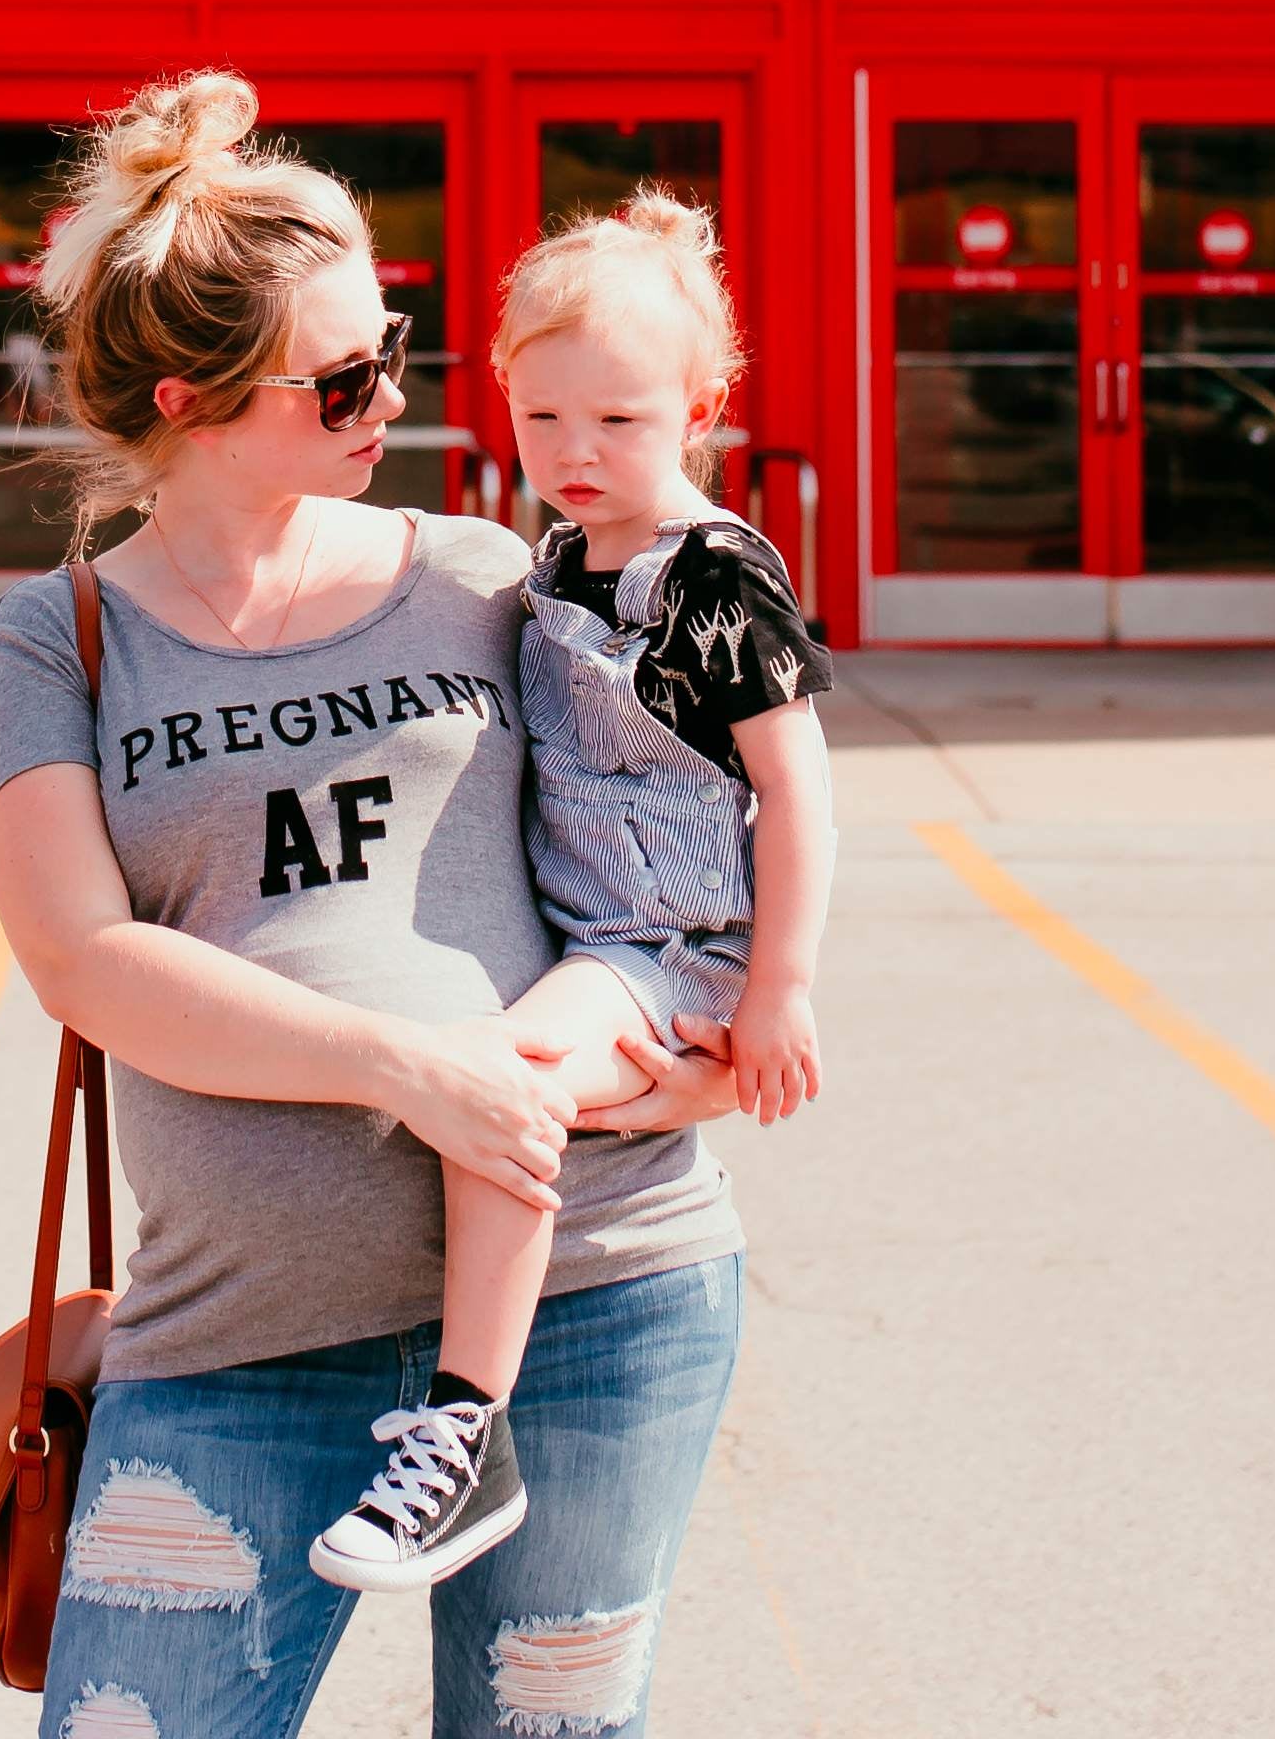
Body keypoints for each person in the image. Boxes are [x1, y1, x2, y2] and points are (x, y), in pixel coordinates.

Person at [0, 72, 753, 1739]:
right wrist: (410, 1070)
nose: (389, 396)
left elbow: (686, 830)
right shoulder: (60, 639)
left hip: (595, 1291)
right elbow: (83, 960)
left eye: (390, 348)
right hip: (239, 1336)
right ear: (193, 400)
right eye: (341, 378)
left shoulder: (487, 575)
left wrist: (704, 1044)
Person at [309, 189, 833, 1596]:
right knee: (512, 1079)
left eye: (618, 421)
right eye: (543, 418)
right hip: (598, 938)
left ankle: (466, 1426)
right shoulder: (552, 565)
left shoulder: (715, 580)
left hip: (674, 941)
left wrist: (778, 990)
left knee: (509, 1083)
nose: (575, 453)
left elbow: (797, 792)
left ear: (701, 409)